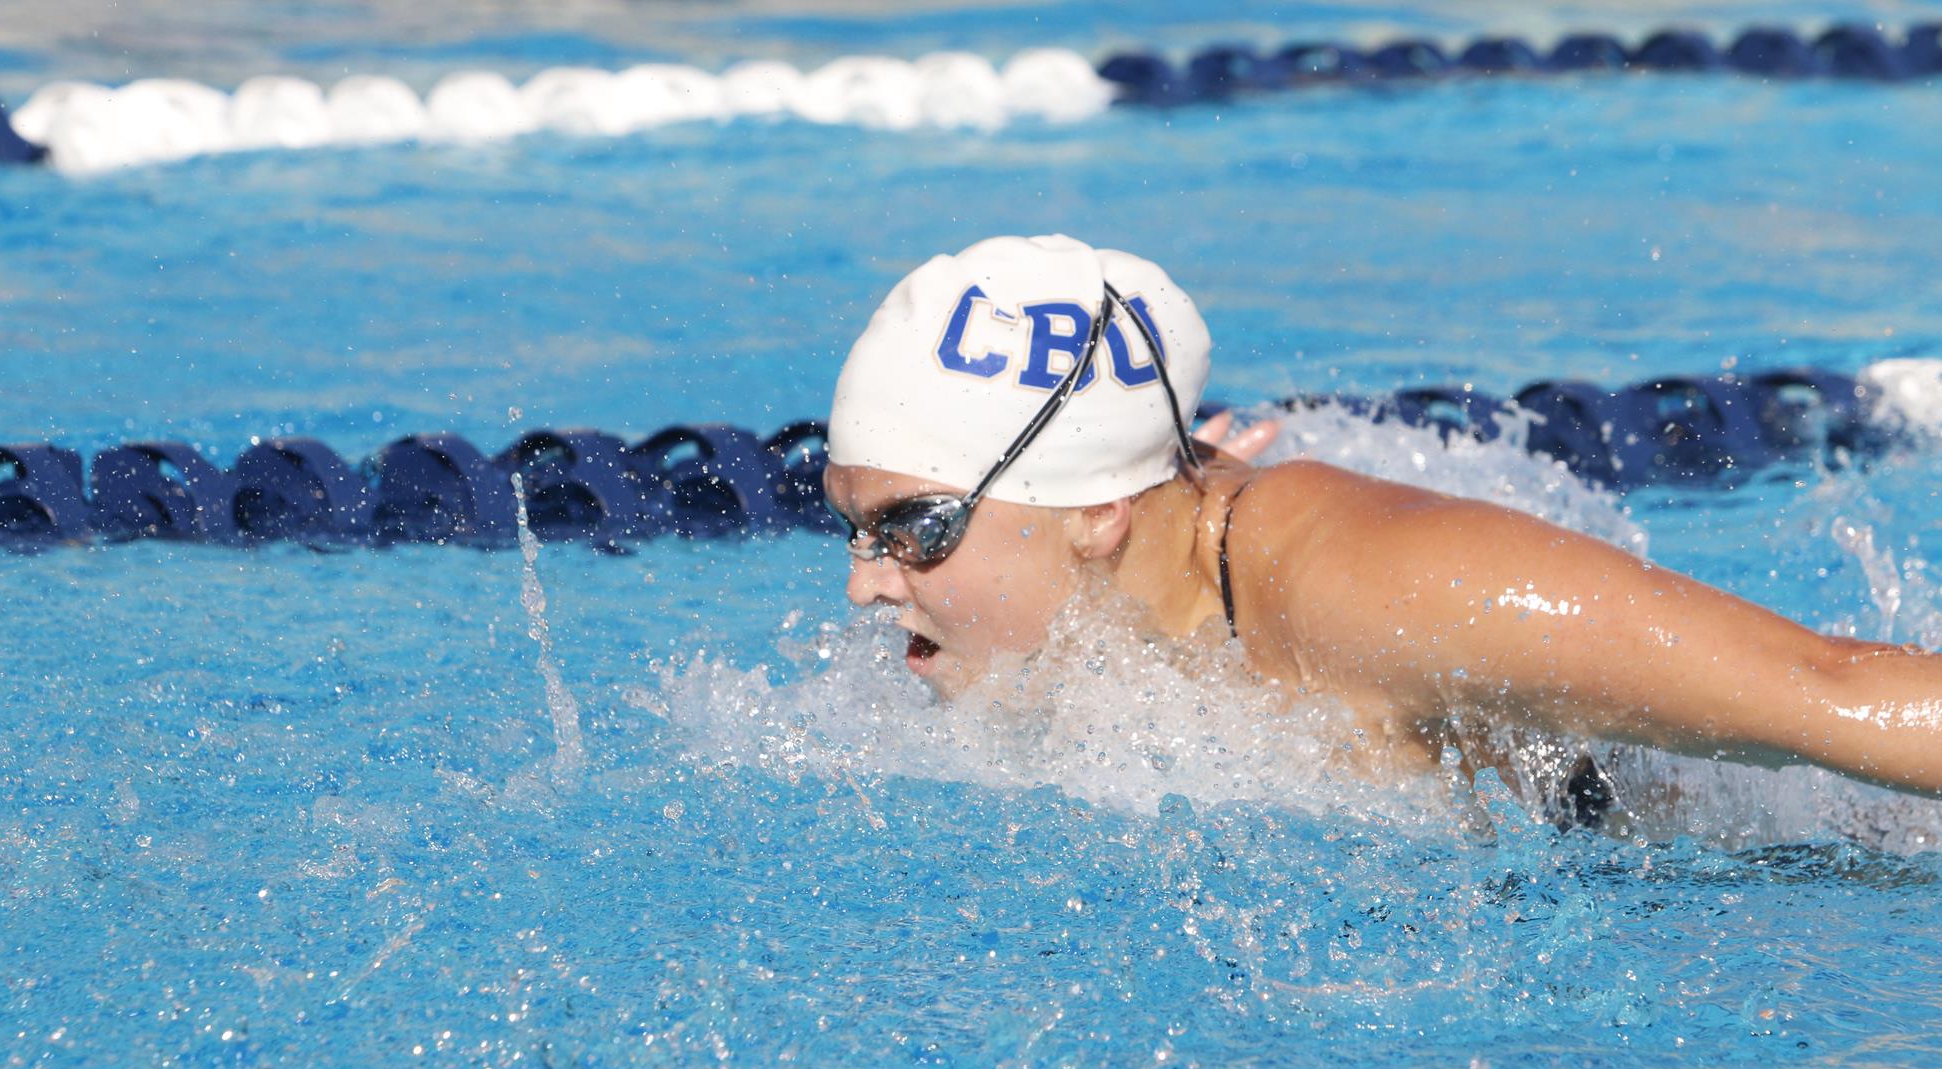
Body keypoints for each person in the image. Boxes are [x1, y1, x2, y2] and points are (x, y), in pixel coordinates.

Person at [821, 234, 1942, 802]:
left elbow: (1831, 689)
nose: (865, 582)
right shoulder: (1127, 565)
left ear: (1099, 511)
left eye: (911, 528)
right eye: (852, 527)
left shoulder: (1394, 593)